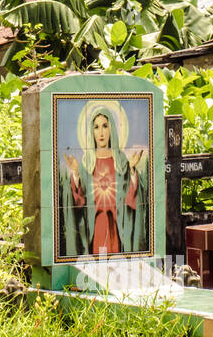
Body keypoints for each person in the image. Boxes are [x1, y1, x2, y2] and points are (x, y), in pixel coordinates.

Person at [59, 106, 148, 257]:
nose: (101, 132)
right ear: (91, 131)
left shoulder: (120, 160)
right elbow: (79, 200)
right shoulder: (87, 161)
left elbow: (131, 197)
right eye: (96, 127)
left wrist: (132, 170)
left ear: (111, 128)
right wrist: (75, 173)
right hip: (95, 225)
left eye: (105, 126)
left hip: (117, 223)